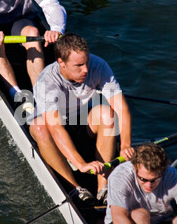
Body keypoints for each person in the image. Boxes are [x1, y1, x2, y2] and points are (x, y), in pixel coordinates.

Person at [28, 32, 134, 204]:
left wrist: (125, 145)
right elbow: (55, 129)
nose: (86, 69)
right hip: (53, 127)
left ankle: (103, 188)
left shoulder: (98, 65)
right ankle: (75, 189)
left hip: (82, 120)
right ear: (61, 63)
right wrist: (81, 164)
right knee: (40, 127)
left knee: (107, 113)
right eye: (79, 65)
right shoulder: (47, 81)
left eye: (87, 62)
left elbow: (122, 107)